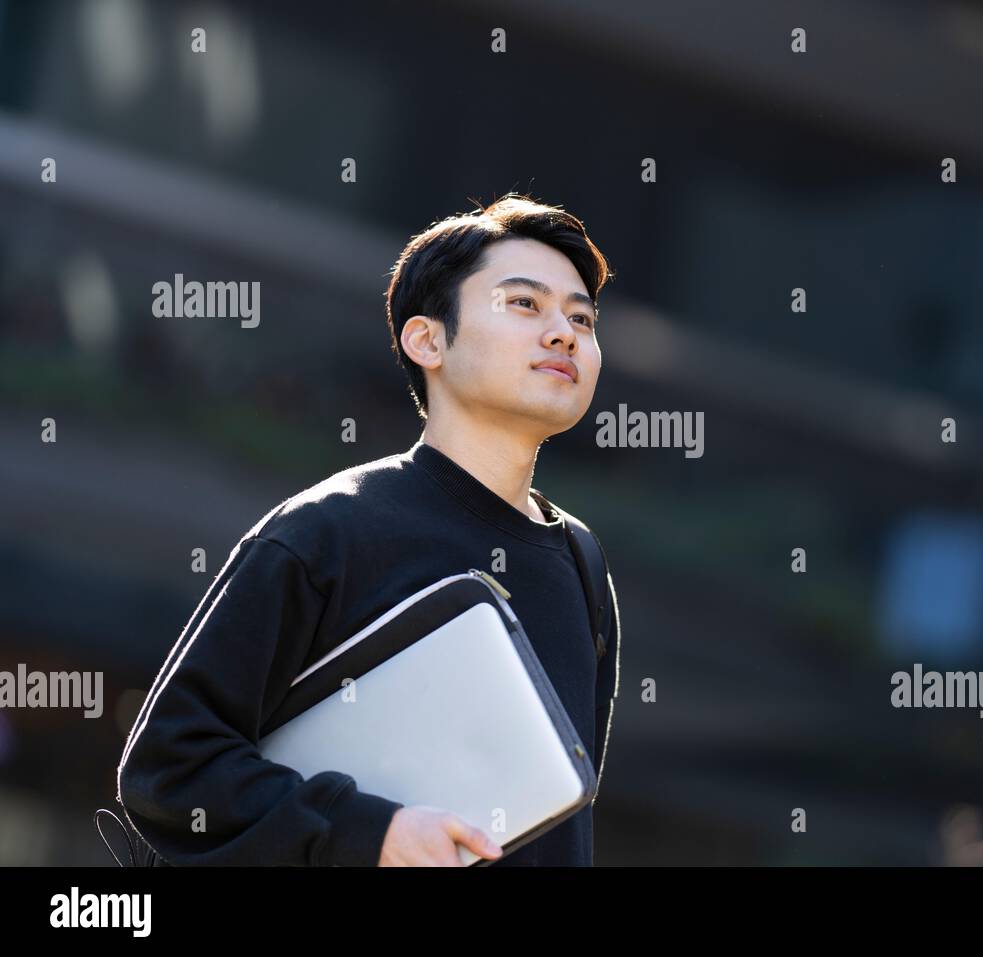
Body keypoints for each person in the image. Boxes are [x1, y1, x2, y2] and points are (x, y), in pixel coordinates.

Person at [116, 193, 621, 866]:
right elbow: (168, 765)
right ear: (428, 339)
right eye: (524, 304)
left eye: (581, 318)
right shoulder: (323, 532)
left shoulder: (582, 565)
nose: (564, 333)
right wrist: (369, 832)